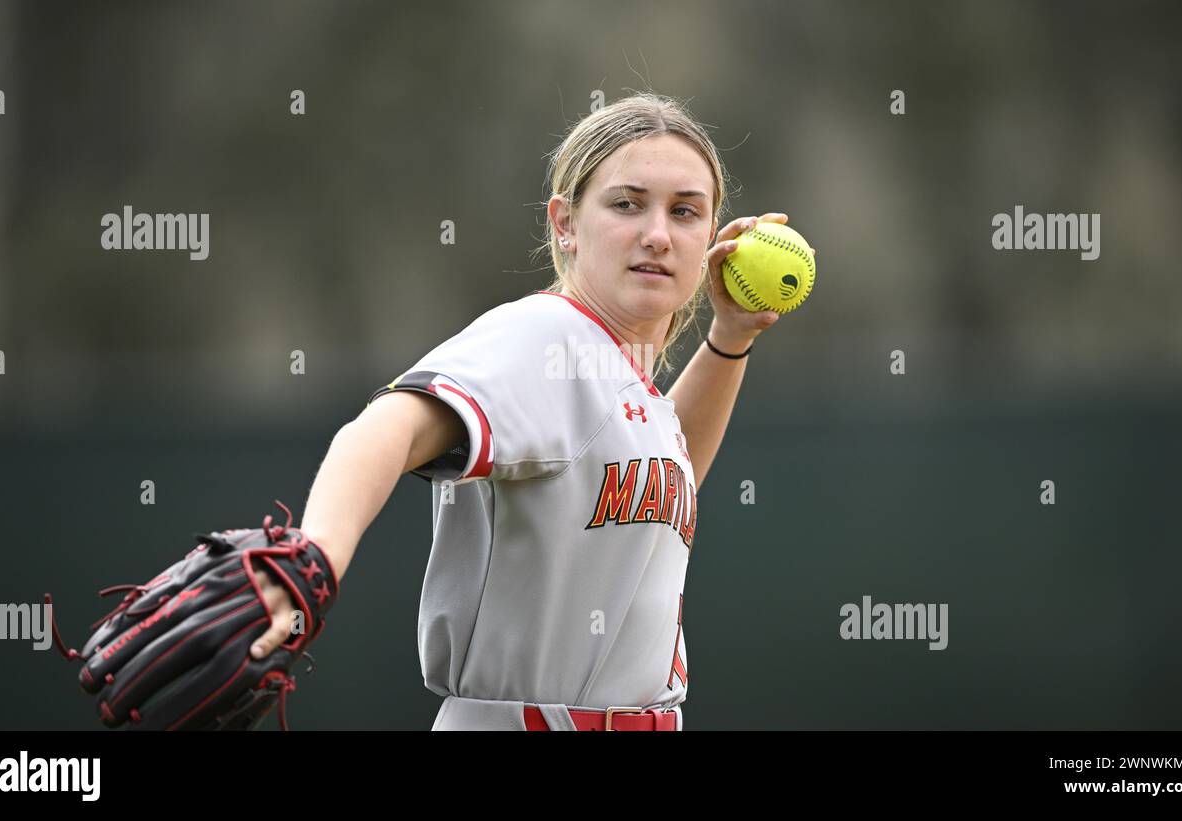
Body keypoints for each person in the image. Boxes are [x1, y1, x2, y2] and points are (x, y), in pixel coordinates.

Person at [250, 92, 787, 730]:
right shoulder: (544, 337)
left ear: (710, 241)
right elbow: (385, 427)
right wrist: (314, 559)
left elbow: (663, 475)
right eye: (627, 203)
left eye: (685, 212)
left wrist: (731, 337)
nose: (657, 234)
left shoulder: (617, 375)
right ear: (565, 223)